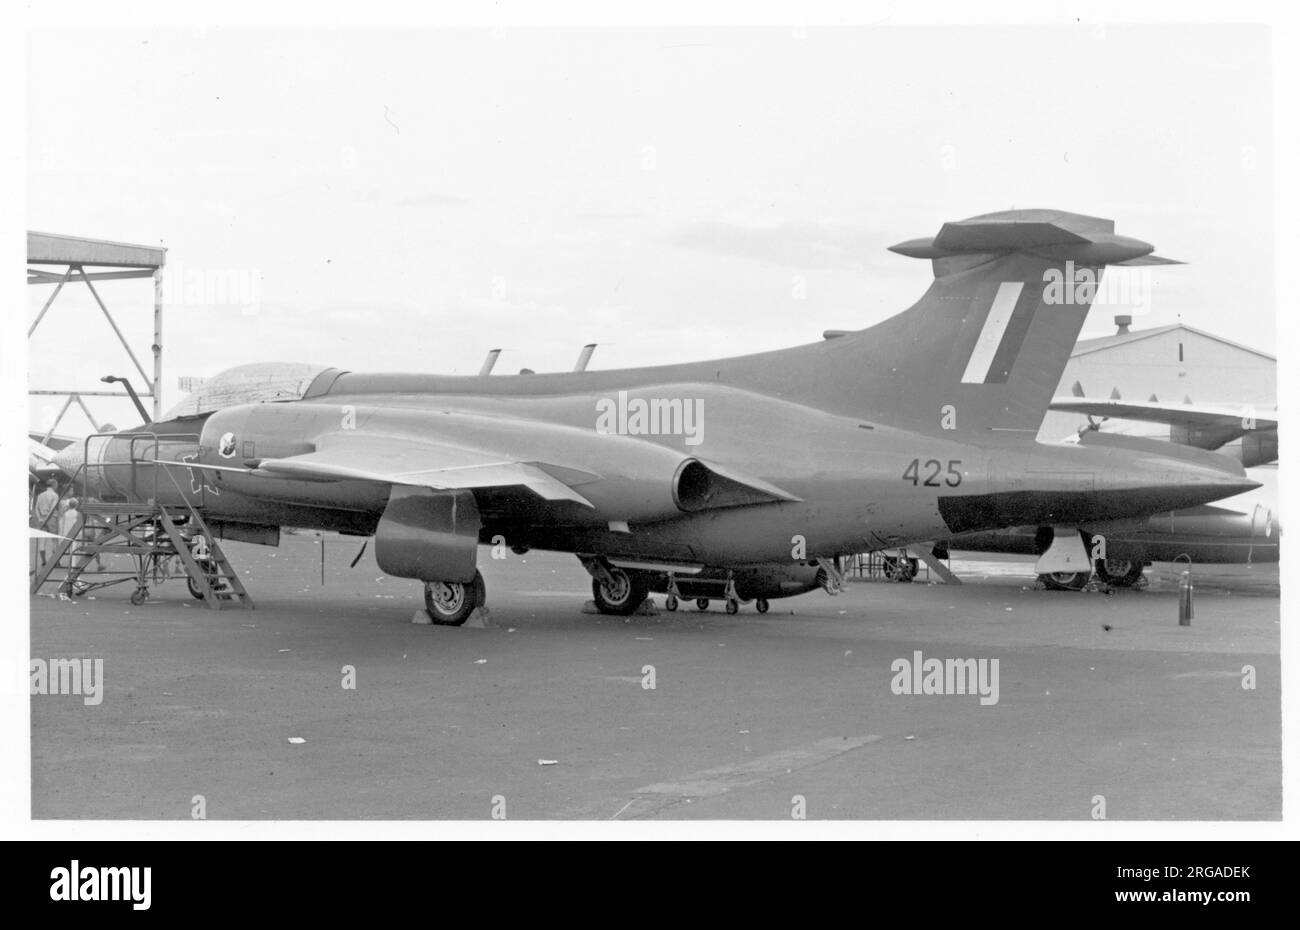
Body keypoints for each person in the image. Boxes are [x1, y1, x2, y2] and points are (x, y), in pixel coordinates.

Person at [30, 478, 60, 568]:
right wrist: (48, 518)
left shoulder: (40, 495)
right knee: (54, 540)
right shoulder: (55, 495)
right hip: (51, 519)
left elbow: (36, 508)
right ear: (54, 485)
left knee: (42, 542)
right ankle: (56, 562)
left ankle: (43, 561)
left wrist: (40, 518)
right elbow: (53, 508)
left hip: (42, 519)